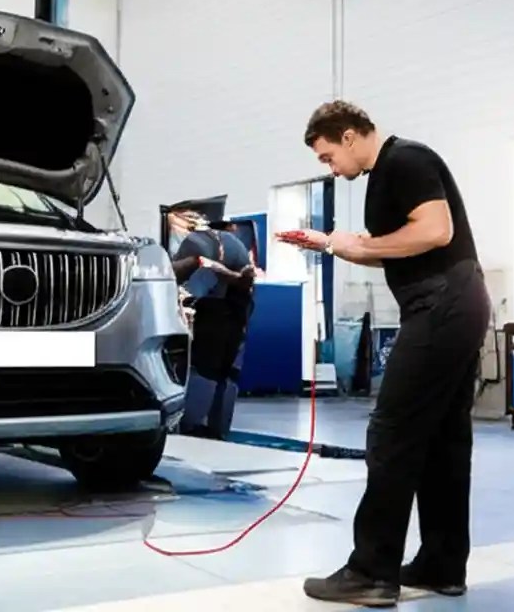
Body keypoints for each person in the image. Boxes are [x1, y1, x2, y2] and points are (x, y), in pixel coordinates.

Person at [278, 100, 490, 607]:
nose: (331, 168)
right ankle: (441, 565)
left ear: (350, 136)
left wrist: (359, 247)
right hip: (456, 301)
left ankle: (371, 572)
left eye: (328, 156)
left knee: (392, 432)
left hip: (442, 303)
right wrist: (333, 244)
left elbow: (435, 231)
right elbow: (400, 247)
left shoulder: (406, 160)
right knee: (442, 438)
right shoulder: (388, 172)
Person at [170, 215, 257, 439]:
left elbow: (184, 284)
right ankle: (218, 429)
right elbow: (247, 281)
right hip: (235, 312)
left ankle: (192, 425)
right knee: (228, 372)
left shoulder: (195, 242)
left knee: (202, 368)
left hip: (211, 311)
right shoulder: (236, 245)